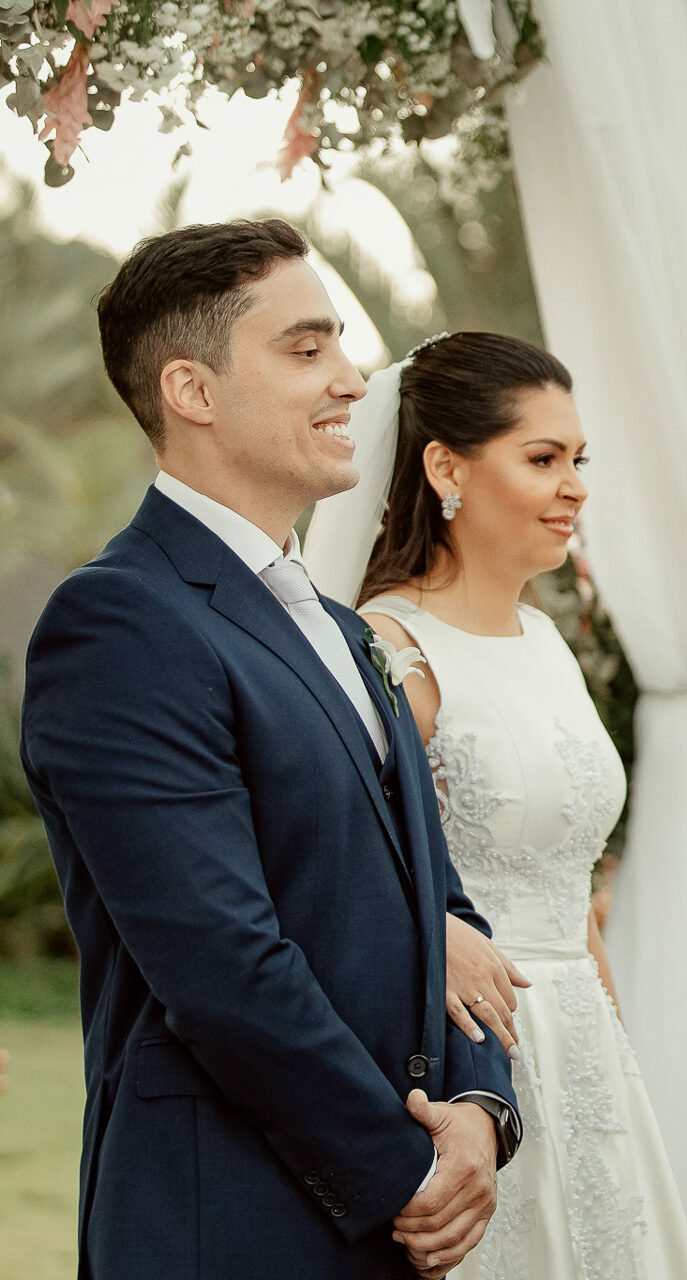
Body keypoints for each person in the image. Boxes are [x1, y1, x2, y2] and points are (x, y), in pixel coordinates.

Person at [19, 220, 519, 1279]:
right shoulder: (120, 624)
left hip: (394, 1213)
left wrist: (477, 1111)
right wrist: (406, 1172)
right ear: (193, 391)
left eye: (340, 342)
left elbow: (444, 902)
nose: (352, 378)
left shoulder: (342, 630)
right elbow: (220, 966)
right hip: (230, 1221)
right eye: (306, 350)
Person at [304, 331, 687, 1279]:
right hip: (469, 1051)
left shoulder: (545, 639)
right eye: (543, 459)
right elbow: (344, 875)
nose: (576, 486)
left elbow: (574, 889)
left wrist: (615, 1056)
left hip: (587, 1058)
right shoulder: (387, 650)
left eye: (579, 461)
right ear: (446, 467)